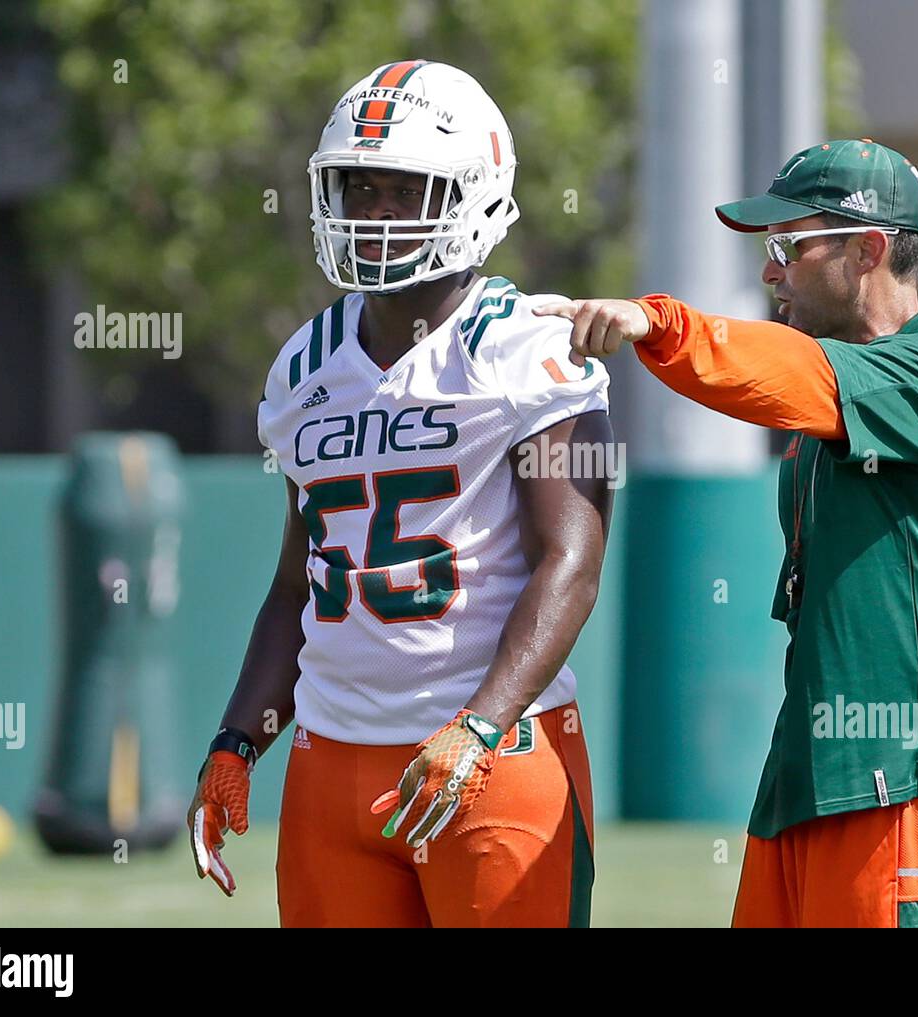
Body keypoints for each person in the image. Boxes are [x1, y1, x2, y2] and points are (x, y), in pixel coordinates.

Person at [537, 139, 918, 928]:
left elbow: (780, 371)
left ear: (868, 251)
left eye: (789, 246)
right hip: (808, 782)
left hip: (910, 788)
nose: (770, 273)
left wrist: (653, 319)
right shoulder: (839, 388)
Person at [187, 60, 612, 927]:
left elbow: (571, 559)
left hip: (490, 756)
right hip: (331, 759)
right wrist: (237, 740)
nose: (373, 214)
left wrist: (481, 724)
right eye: (359, 186)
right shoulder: (306, 365)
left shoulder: (526, 348)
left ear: (475, 195)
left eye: (403, 190)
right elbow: (294, 586)